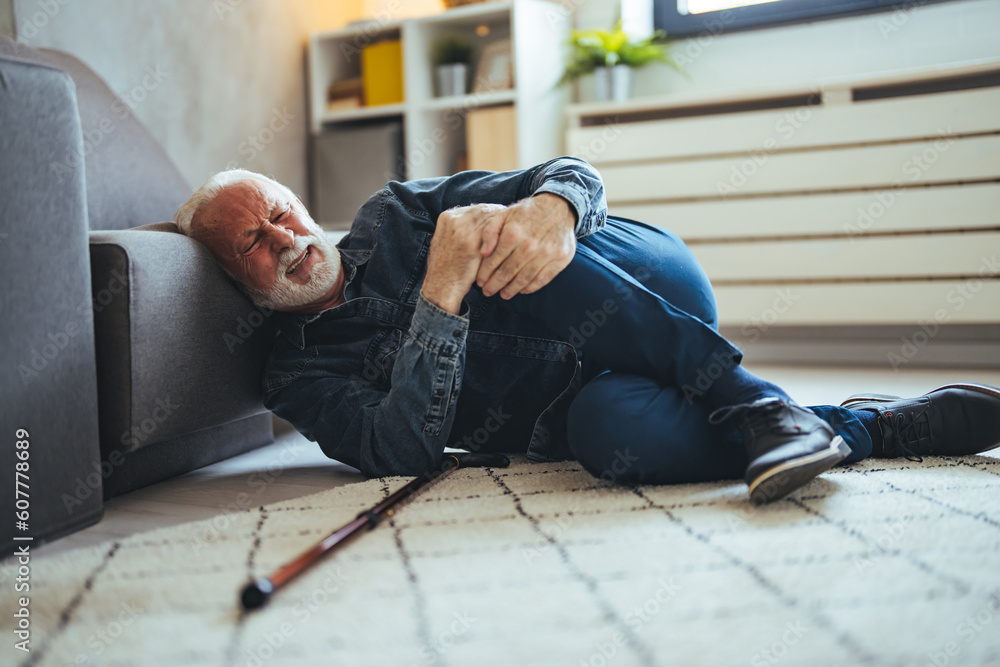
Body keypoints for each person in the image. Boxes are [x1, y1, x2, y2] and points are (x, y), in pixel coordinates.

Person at [174, 157, 1000, 504]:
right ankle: (867, 427)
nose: (285, 240)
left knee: (507, 242)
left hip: (645, 277)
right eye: (253, 241)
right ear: (232, 277)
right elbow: (401, 450)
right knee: (609, 442)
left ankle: (750, 397)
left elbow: (571, 176)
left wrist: (547, 212)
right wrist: (439, 295)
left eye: (279, 214)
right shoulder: (294, 378)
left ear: (298, 201)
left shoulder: (394, 212)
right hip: (583, 402)